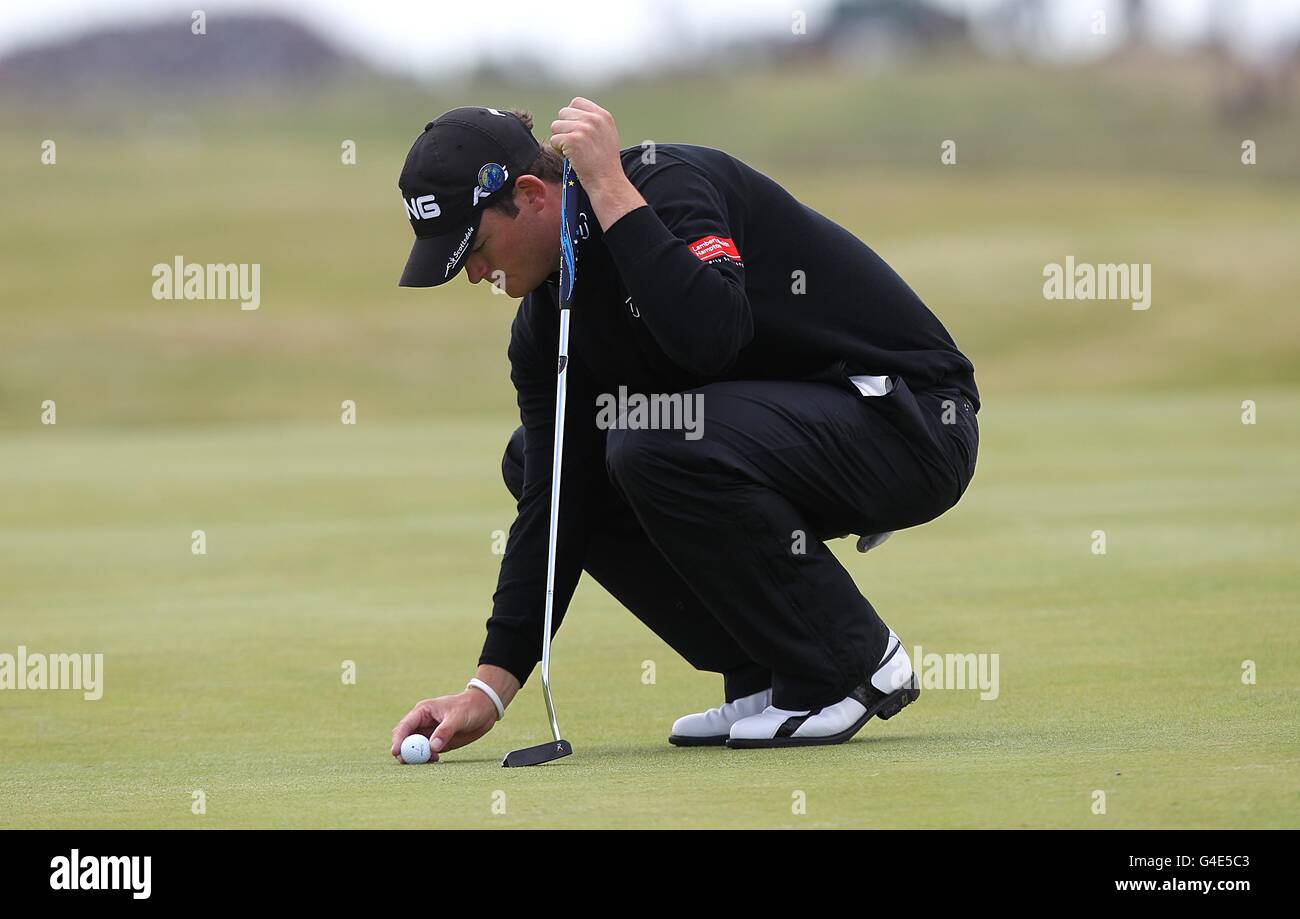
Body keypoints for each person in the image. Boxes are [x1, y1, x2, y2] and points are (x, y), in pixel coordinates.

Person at [390, 98, 979, 759]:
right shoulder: (545, 327)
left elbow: (712, 334)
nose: (472, 272)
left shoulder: (663, 185)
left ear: (529, 194)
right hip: (789, 439)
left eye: (474, 246)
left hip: (907, 420)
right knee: (538, 458)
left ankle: (847, 664)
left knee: (655, 438)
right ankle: (766, 664)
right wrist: (489, 687)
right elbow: (556, 502)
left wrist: (609, 186)